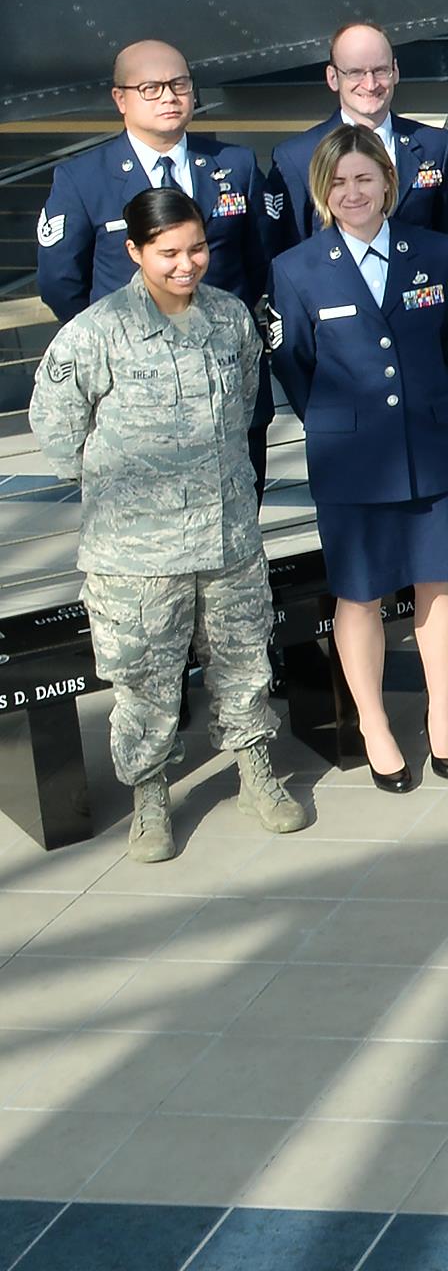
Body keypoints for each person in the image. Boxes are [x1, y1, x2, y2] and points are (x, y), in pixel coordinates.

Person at [28, 188, 309, 861]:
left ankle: (254, 771)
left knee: (244, 665)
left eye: (198, 249)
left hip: (227, 537)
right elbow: (59, 433)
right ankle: (150, 795)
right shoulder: (97, 332)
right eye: (169, 254)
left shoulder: (229, 317)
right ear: (135, 251)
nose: (187, 265)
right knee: (144, 680)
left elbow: (244, 402)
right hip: (137, 553)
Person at [271, 127, 448, 787]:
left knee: (437, 580)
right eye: (337, 182)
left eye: (364, 178)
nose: (352, 192)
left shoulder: (436, 252)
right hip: (351, 457)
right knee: (357, 595)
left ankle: (441, 715)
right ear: (320, 193)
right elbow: (296, 365)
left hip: (433, 445)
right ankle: (374, 721)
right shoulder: (297, 269)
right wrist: (344, 422)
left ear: (389, 181)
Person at [36, 38, 278, 483]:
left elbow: (259, 259)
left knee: (238, 523)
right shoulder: (83, 178)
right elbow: (60, 281)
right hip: (136, 402)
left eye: (179, 84)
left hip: (226, 390)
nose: (168, 96)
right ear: (120, 99)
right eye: (150, 88)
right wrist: (116, 340)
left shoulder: (234, 164)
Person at [272, 23, 448, 245]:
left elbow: (442, 236)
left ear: (395, 71)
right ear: (333, 77)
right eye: (355, 73)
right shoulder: (297, 158)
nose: (370, 85)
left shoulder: (434, 146)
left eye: (380, 70)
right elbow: (291, 255)